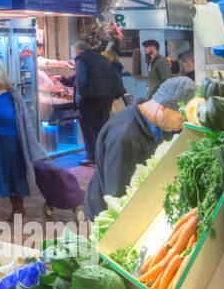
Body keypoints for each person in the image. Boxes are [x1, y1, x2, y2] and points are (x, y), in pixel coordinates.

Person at [85, 76, 194, 218]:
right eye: (181, 119)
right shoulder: (123, 138)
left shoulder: (159, 123)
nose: (182, 125)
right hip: (106, 215)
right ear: (163, 107)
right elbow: (117, 196)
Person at [0, 57, 45, 226]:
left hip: (10, 141)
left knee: (14, 175)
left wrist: (32, 144)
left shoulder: (12, 92)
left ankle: (18, 210)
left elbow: (24, 118)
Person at [72, 40, 125, 167]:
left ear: (78, 50)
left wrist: (81, 94)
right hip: (107, 96)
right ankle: (102, 155)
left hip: (90, 97)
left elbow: (81, 78)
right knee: (101, 125)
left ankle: (92, 157)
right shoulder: (102, 58)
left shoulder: (81, 59)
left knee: (88, 126)